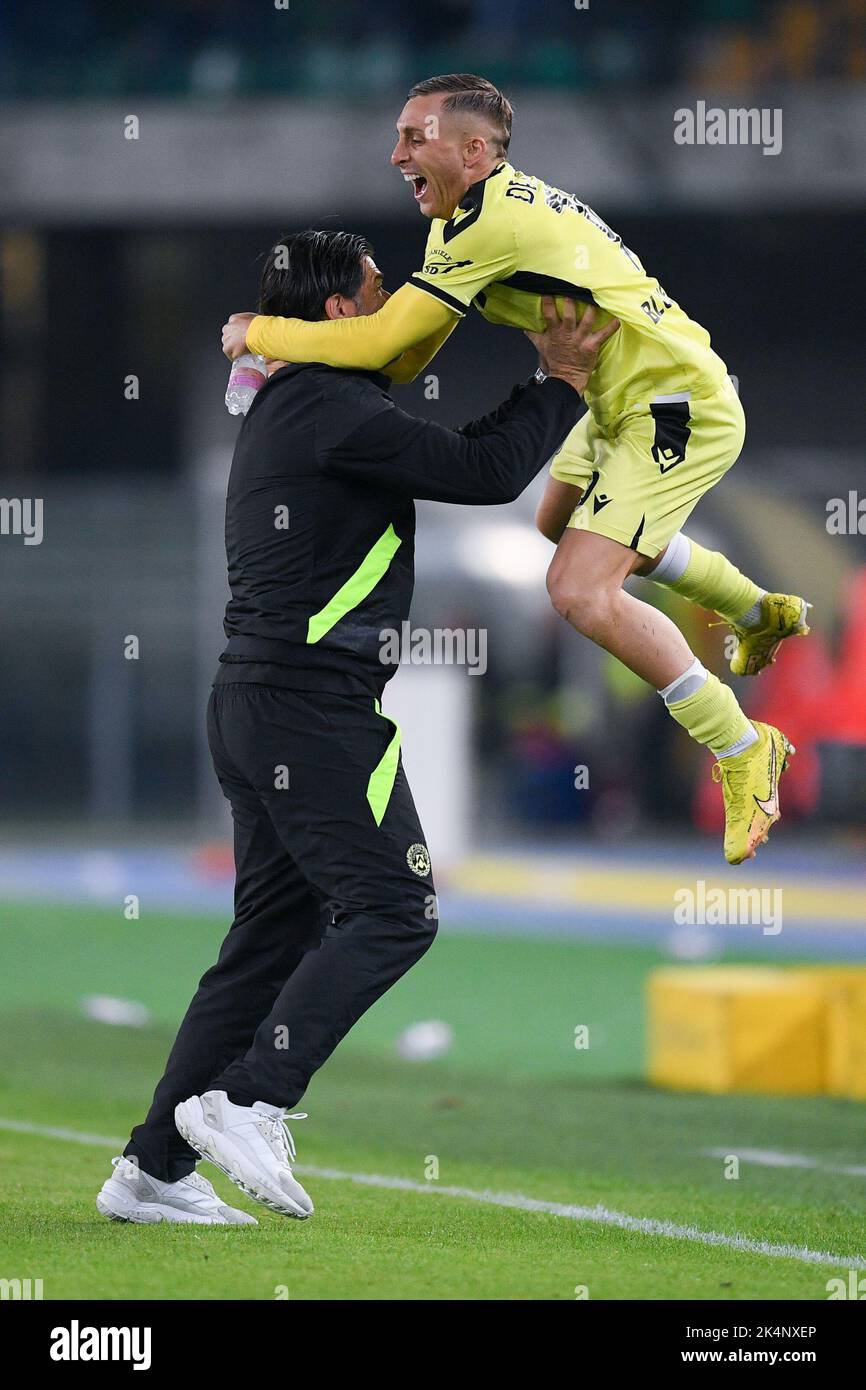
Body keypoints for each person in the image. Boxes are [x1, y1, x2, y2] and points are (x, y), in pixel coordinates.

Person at [96, 228, 616, 1226]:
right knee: (394, 907)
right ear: (339, 312)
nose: (398, 309)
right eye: (382, 291)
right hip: (308, 707)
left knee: (267, 941)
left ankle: (153, 1165)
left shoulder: (299, 402)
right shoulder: (332, 404)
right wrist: (555, 380)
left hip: (255, 703)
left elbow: (462, 455)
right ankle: (250, 1097)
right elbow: (486, 470)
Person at [221, 74, 809, 865]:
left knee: (578, 589)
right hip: (616, 399)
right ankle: (756, 609)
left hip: (673, 402)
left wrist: (265, 333)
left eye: (414, 137)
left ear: (472, 149)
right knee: (555, 521)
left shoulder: (490, 223)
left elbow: (375, 344)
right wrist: (301, 344)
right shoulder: (462, 224)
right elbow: (398, 352)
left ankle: (740, 747)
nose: (396, 154)